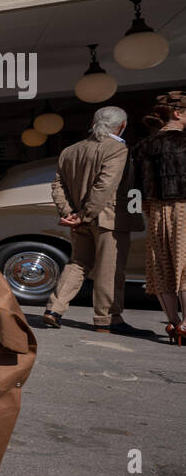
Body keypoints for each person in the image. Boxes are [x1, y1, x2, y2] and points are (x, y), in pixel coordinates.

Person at [43, 106, 147, 334]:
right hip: (108, 219)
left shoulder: (70, 150)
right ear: (122, 126)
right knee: (109, 270)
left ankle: (54, 309)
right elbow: (105, 186)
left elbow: (57, 185)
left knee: (77, 263)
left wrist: (68, 213)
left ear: (93, 122)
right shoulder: (118, 148)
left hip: (79, 217)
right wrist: (84, 215)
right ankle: (108, 320)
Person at [129, 91, 186, 344]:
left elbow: (137, 186)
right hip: (184, 208)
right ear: (178, 113)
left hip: (156, 212)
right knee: (185, 267)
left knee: (162, 267)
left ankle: (174, 324)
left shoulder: (142, 146)